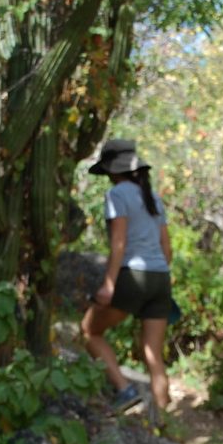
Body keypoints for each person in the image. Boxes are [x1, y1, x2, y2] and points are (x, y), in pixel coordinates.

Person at [80, 138, 174, 413]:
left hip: (133, 275)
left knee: (89, 331)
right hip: (160, 278)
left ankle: (125, 390)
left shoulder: (117, 195)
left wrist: (109, 285)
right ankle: (163, 421)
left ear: (112, 170)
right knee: (153, 354)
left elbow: (118, 243)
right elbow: (167, 249)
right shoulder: (152, 197)